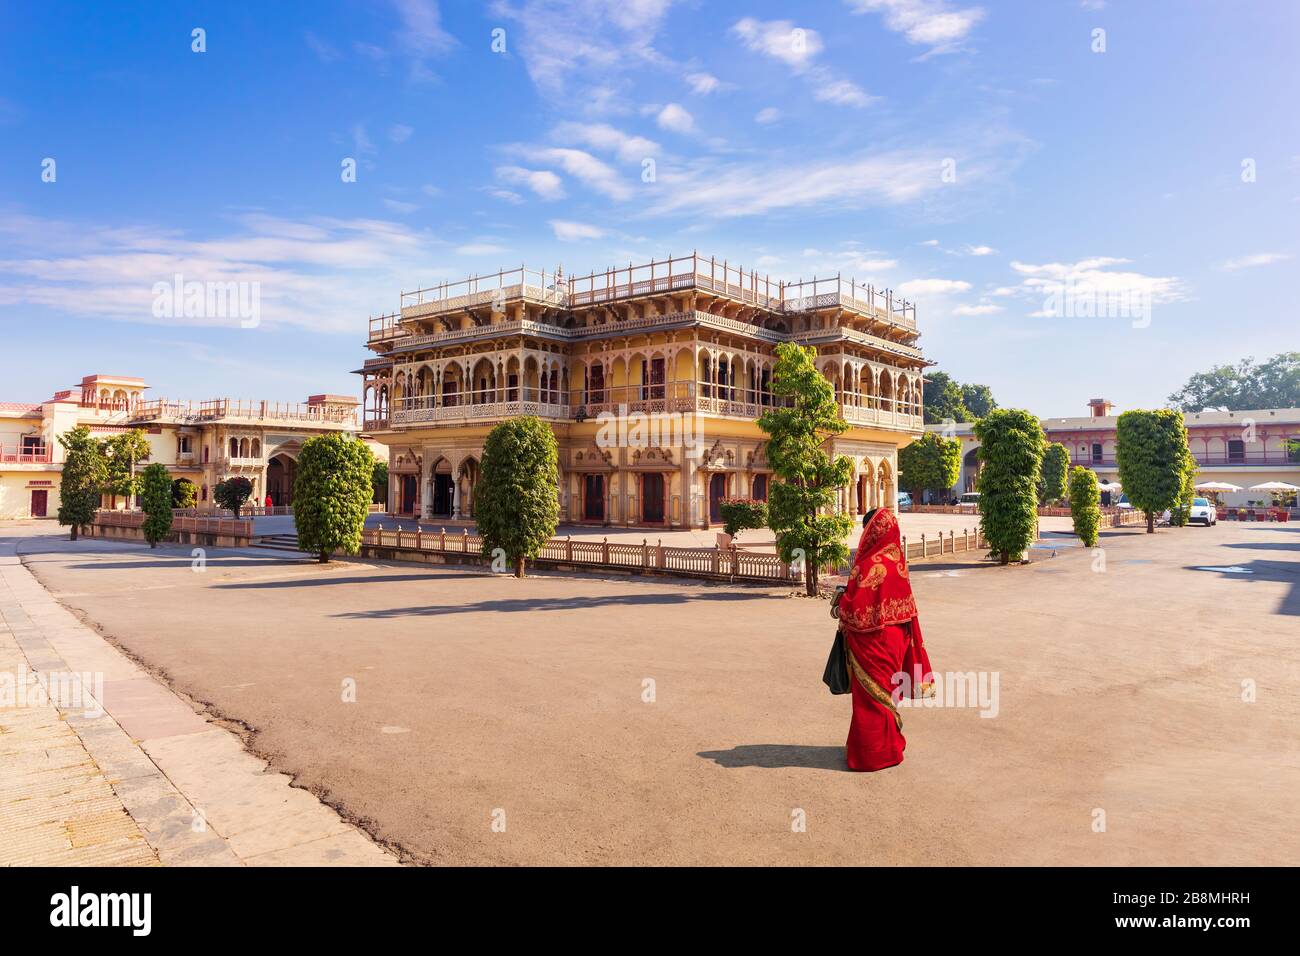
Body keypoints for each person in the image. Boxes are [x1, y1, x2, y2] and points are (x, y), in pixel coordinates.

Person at [837, 506, 935, 771]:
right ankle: (889, 747)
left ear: (871, 532)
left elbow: (855, 610)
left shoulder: (869, 565)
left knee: (869, 700)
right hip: (896, 641)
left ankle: (871, 755)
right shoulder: (897, 562)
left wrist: (840, 602)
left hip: (871, 641)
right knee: (885, 696)